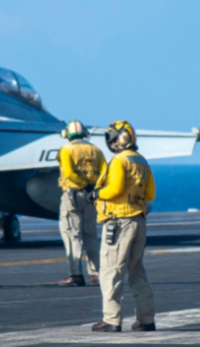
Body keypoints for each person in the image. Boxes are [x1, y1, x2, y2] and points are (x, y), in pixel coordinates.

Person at [91, 121, 156, 333]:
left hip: (119, 222)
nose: (110, 141)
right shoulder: (142, 160)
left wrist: (97, 193)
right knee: (136, 271)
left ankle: (111, 319)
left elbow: (115, 189)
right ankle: (145, 319)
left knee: (111, 271)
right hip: (139, 221)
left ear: (122, 138)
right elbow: (150, 195)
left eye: (112, 137)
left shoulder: (119, 160)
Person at [56, 120, 105, 287]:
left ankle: (75, 274)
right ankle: (98, 273)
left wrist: (82, 184)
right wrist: (93, 187)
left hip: (73, 195)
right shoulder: (95, 149)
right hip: (92, 197)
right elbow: (105, 172)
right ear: (84, 133)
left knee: (72, 234)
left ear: (67, 134)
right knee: (91, 233)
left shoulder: (66, 149)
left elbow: (68, 172)